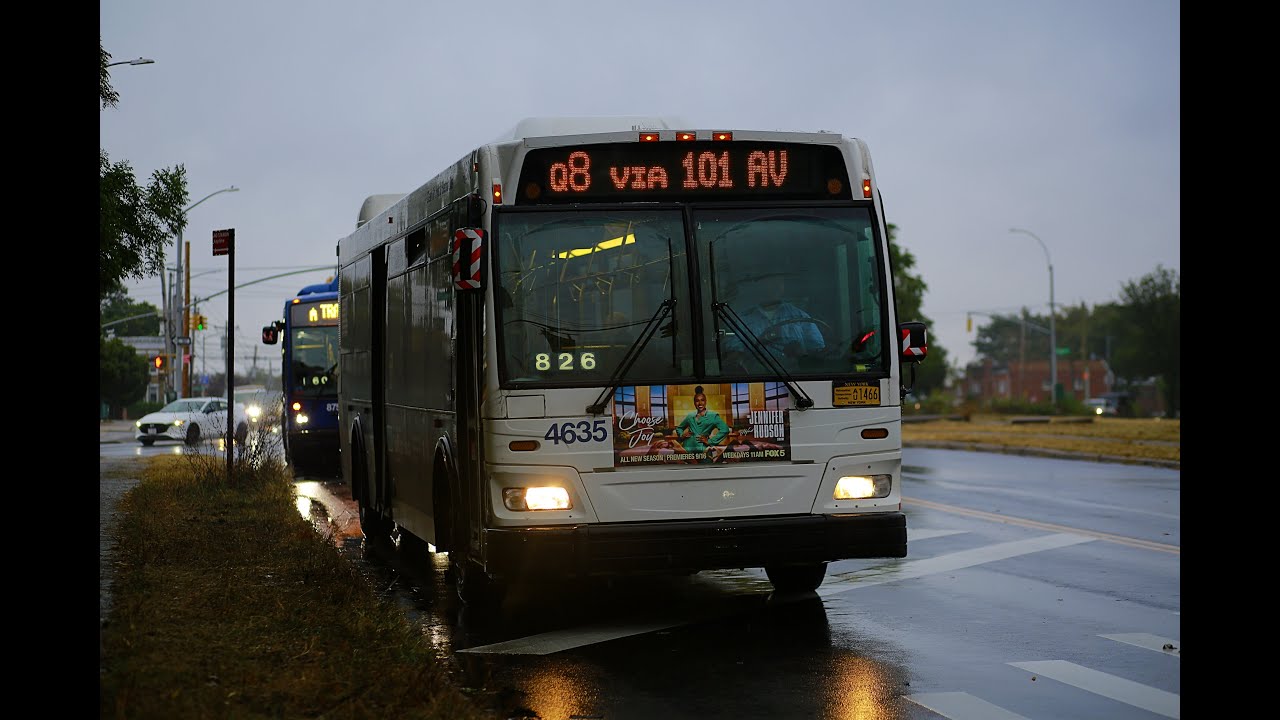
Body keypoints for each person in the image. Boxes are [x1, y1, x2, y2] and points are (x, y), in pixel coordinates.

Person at [724, 274, 825, 359]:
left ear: (783, 286)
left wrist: (800, 352)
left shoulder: (800, 317)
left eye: (779, 282)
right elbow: (733, 356)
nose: (774, 287)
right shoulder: (742, 319)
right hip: (756, 373)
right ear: (760, 286)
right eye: (770, 283)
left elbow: (818, 350)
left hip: (795, 373)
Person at [675, 386, 731, 460]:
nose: (700, 403)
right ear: (694, 403)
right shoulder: (690, 416)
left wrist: (710, 441)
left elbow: (725, 429)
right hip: (687, 448)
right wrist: (682, 435)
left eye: (702, 400)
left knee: (706, 464)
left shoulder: (713, 415)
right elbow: (679, 428)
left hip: (702, 450)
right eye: (697, 401)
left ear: (706, 401)